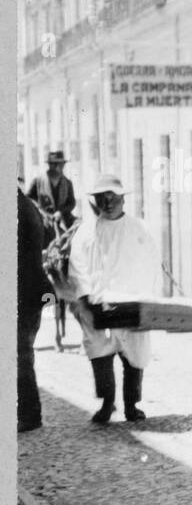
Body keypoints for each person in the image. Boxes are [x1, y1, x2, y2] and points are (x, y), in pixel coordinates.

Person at [67, 174, 160, 425]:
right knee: (101, 353)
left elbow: (151, 262)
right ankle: (108, 403)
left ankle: (132, 405)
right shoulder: (87, 232)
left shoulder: (139, 228)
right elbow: (77, 266)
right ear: (96, 202)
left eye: (112, 198)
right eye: (102, 199)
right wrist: (85, 299)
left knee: (135, 355)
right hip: (99, 303)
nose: (108, 204)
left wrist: (148, 298)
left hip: (131, 302)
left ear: (122, 199)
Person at [27, 150, 77, 350]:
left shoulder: (67, 183)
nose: (58, 168)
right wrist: (41, 212)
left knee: (75, 233)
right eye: (55, 165)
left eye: (61, 165)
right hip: (43, 220)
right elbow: (29, 198)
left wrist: (61, 212)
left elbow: (71, 202)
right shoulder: (39, 181)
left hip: (61, 220)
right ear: (50, 165)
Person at [18, 176, 53, 432]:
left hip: (26, 293)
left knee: (19, 355)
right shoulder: (25, 205)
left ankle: (30, 416)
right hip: (29, 291)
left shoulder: (17, 210)